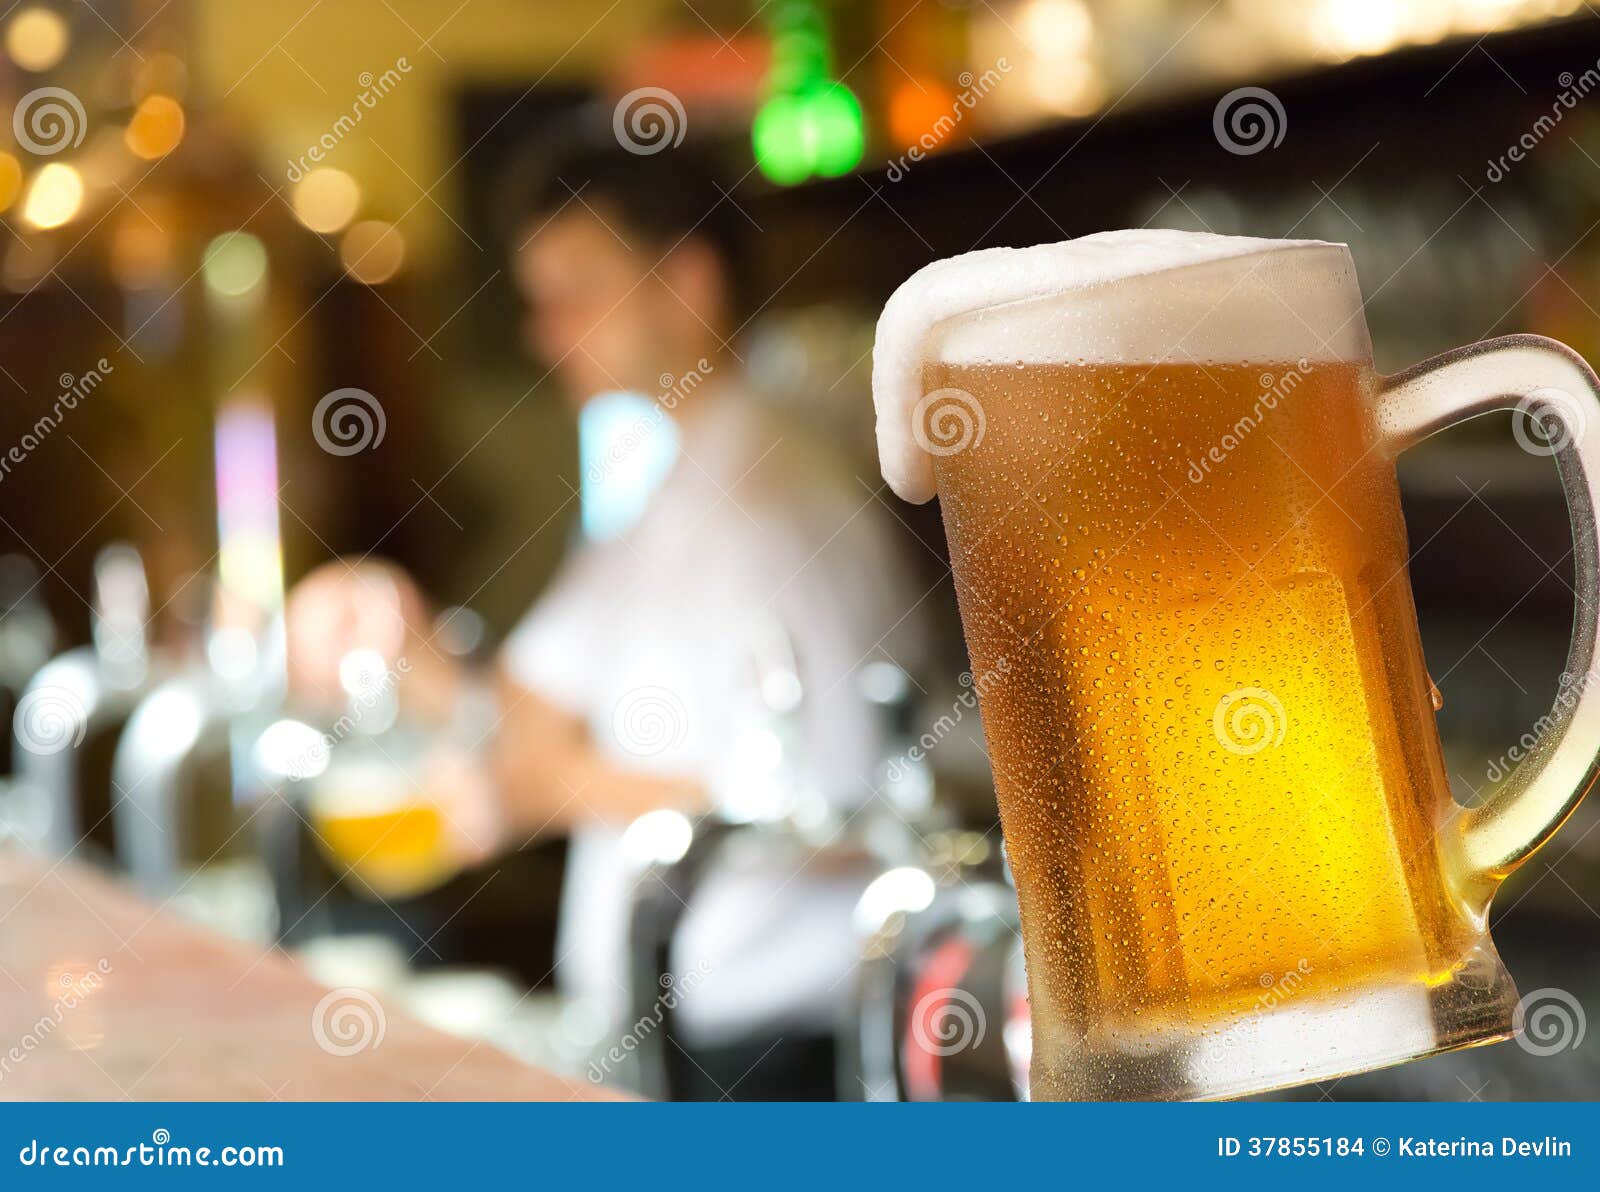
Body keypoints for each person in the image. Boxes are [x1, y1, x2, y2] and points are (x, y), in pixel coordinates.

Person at [284, 134, 929, 1033]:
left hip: (772, 1054)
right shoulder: (674, 483)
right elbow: (521, 707)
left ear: (686, 284)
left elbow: (835, 814)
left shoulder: (776, 504)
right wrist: (389, 628)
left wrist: (547, 787)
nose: (543, 331)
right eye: (539, 299)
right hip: (664, 1034)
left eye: (575, 293)